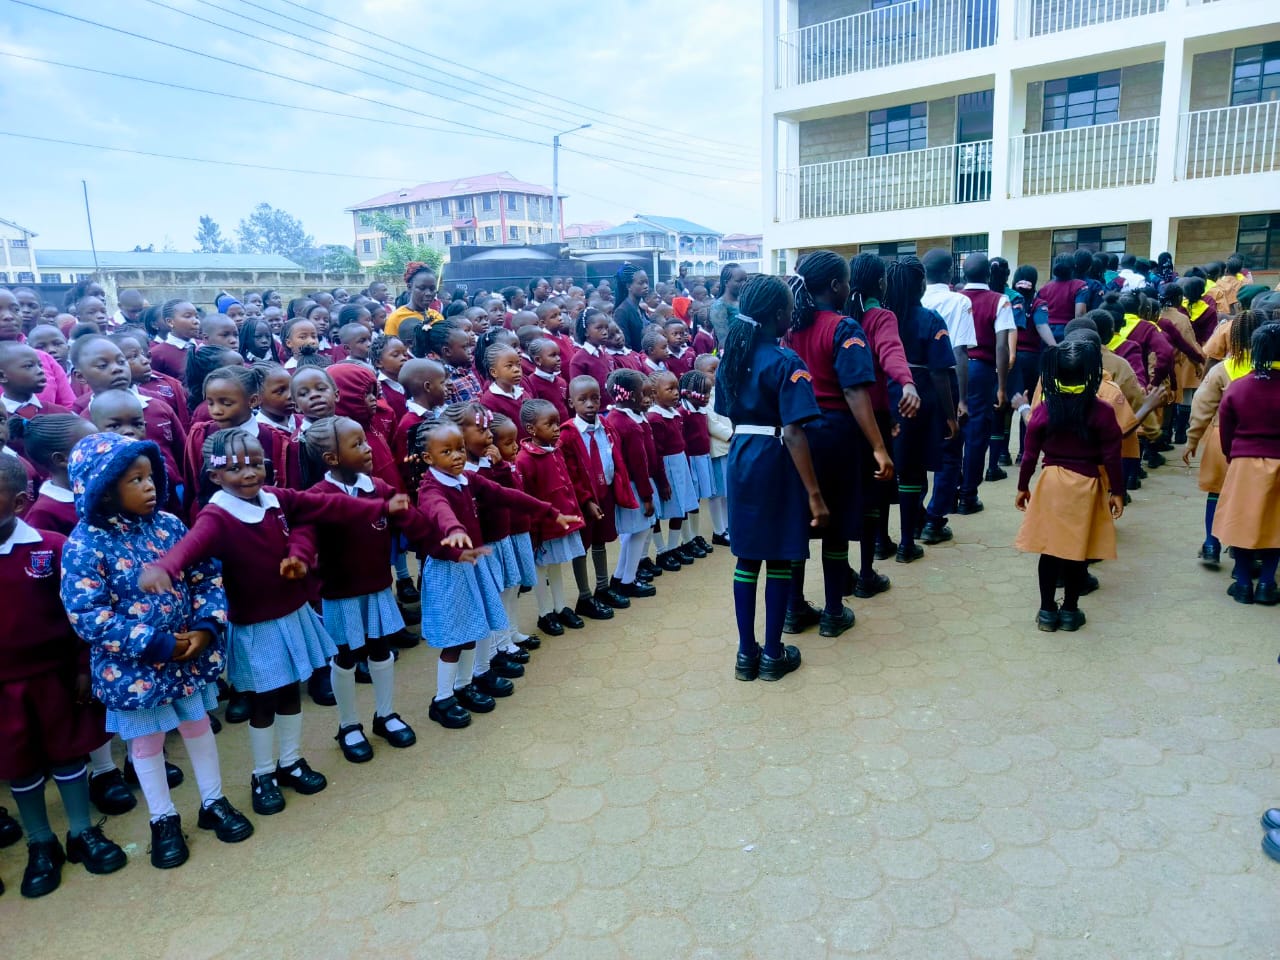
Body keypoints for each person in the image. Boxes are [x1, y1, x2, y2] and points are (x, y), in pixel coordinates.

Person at [139, 427, 406, 816]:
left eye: (254, 464)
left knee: (289, 695)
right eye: (234, 468)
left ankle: (291, 760)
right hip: (256, 626)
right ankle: (262, 773)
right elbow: (192, 544)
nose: (248, 474)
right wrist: (166, 565)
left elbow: (330, 507)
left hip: (292, 614)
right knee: (263, 701)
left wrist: (379, 507)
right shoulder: (218, 515)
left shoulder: (274, 498)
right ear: (215, 476)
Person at [61, 433, 252, 870]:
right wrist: (156, 643)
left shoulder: (169, 525)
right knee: (145, 743)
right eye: (136, 479)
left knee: (197, 724)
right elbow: (88, 615)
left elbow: (205, 576)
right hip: (134, 668)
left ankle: (213, 801)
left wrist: (206, 628)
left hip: (188, 655)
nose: (150, 486)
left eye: (151, 476)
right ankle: (162, 820)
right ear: (103, 488)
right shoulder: (85, 545)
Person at [0, 452, 127, 898]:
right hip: (3, 687)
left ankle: (81, 831)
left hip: (55, 676)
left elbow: (80, 614)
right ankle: (40, 842)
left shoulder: (52, 547)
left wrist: (82, 668)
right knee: (20, 764)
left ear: (18, 502)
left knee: (68, 755)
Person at [406, 418, 574, 728]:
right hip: (450, 570)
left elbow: (504, 494)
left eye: (459, 449)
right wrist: (454, 529)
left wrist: (549, 510)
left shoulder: (466, 480)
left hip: (473, 563)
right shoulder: (430, 488)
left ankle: (464, 684)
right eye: (447, 451)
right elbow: (439, 510)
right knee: (456, 639)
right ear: (429, 458)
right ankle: (442, 699)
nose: (457, 456)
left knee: (474, 630)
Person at [715, 274, 828, 681]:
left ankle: (747, 654)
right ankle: (774, 653)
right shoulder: (785, 362)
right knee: (780, 553)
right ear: (780, 315)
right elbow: (796, 430)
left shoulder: (733, 356)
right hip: (775, 456)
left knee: (748, 556)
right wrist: (815, 495)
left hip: (741, 454)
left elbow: (727, 408)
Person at [781, 254, 890, 639]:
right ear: (834, 286)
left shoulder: (789, 329)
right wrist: (878, 446)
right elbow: (854, 390)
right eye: (845, 282)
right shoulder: (844, 327)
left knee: (800, 521)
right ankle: (832, 611)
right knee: (836, 525)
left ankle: (793, 608)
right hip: (836, 436)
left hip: (796, 436)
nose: (848, 289)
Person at [296, 417, 416, 763]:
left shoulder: (377, 487)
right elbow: (304, 537)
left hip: (376, 587)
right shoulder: (317, 496)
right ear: (331, 458)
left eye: (365, 441)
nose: (367, 449)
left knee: (381, 651)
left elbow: (413, 519)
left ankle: (386, 715)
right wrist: (301, 559)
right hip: (341, 594)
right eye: (358, 444)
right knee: (345, 657)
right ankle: (348, 725)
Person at [1014, 339, 1123, 632]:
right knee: (1077, 551)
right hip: (1086, 485)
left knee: (1049, 550)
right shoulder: (1101, 411)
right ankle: (1071, 610)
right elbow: (1113, 456)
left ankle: (1047, 611)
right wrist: (1117, 492)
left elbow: (1029, 454)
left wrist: (1023, 486)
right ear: (1092, 372)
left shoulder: (1046, 409)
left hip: (1051, 484)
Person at [881, 256, 957, 564]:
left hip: (884, 395)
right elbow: (941, 371)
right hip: (918, 396)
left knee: (884, 467)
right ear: (921, 285)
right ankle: (907, 543)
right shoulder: (930, 319)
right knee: (912, 470)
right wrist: (951, 416)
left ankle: (880, 540)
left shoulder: (879, 318)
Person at [1185, 309, 1269, 568]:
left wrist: (1192, 440)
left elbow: (1202, 406)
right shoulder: (1270, 370)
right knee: (1251, 497)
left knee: (1216, 493)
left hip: (1223, 438)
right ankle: (1245, 547)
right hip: (1262, 443)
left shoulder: (1223, 369)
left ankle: (1211, 543)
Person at [1211, 322, 1280, 604]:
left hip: (1244, 462)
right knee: (1276, 525)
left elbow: (1226, 432)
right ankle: (1266, 583)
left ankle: (1241, 583)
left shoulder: (1238, 388)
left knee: (1240, 522)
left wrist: (1233, 456)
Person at [560, 375, 635, 619]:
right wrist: (586, 500)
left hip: (605, 493)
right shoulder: (568, 435)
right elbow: (570, 474)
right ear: (571, 403)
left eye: (595, 398)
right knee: (583, 545)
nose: (590, 404)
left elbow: (614, 459)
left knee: (601, 541)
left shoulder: (606, 426)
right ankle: (584, 597)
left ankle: (602, 587)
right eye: (583, 400)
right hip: (584, 501)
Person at [516, 398, 589, 637]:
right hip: (542, 527)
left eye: (558, 423)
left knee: (557, 565)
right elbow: (527, 498)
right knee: (541, 571)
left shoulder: (555, 450)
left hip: (560, 521)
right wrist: (535, 530)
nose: (557, 428)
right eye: (550, 424)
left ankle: (560, 606)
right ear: (531, 429)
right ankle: (544, 613)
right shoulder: (525, 459)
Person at [920, 250, 976, 544]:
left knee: (917, 451)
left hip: (916, 381)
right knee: (950, 451)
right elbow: (960, 353)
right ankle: (934, 519)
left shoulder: (915, 299)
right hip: (946, 380)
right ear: (949, 273)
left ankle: (915, 516)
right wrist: (962, 400)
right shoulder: (959, 301)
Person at [955, 254, 1014, 512]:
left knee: (952, 426)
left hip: (952, 367)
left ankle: (949, 490)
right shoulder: (999, 300)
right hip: (980, 369)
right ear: (988, 276)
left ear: (963, 274)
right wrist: (1002, 385)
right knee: (977, 432)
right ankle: (968, 495)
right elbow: (1002, 345)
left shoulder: (954, 297)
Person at [646, 370, 700, 569]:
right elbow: (656, 453)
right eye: (669, 389)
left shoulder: (675, 414)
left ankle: (673, 546)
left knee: (681, 507)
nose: (676, 393)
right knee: (660, 511)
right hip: (666, 468)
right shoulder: (655, 418)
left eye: (677, 388)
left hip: (680, 465)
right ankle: (662, 551)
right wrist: (663, 481)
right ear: (654, 393)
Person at [16, 415, 94, 535]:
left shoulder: (99, 488)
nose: (104, 449)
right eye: (92, 447)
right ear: (61, 459)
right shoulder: (44, 512)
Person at [385, 263, 443, 338]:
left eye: (432, 289)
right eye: (422, 288)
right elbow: (390, 347)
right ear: (409, 287)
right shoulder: (396, 318)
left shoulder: (437, 316)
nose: (428, 293)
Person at [149, 300, 200, 381]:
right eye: (188, 316)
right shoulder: (157, 354)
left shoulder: (204, 347)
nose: (196, 321)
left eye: (196, 317)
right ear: (170, 322)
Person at [568, 307, 613, 397]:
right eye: (599, 328)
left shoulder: (606, 354)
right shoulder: (579, 360)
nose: (605, 332)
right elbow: (578, 391)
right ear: (586, 332)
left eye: (606, 328)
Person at [612, 264, 650, 352]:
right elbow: (625, 345)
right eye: (641, 283)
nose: (645, 286)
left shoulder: (641, 309)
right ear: (628, 286)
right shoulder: (622, 312)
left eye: (647, 282)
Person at [709, 263, 746, 349]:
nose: (744, 284)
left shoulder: (744, 301)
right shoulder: (719, 306)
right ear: (726, 282)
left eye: (745, 280)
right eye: (739, 281)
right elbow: (724, 341)